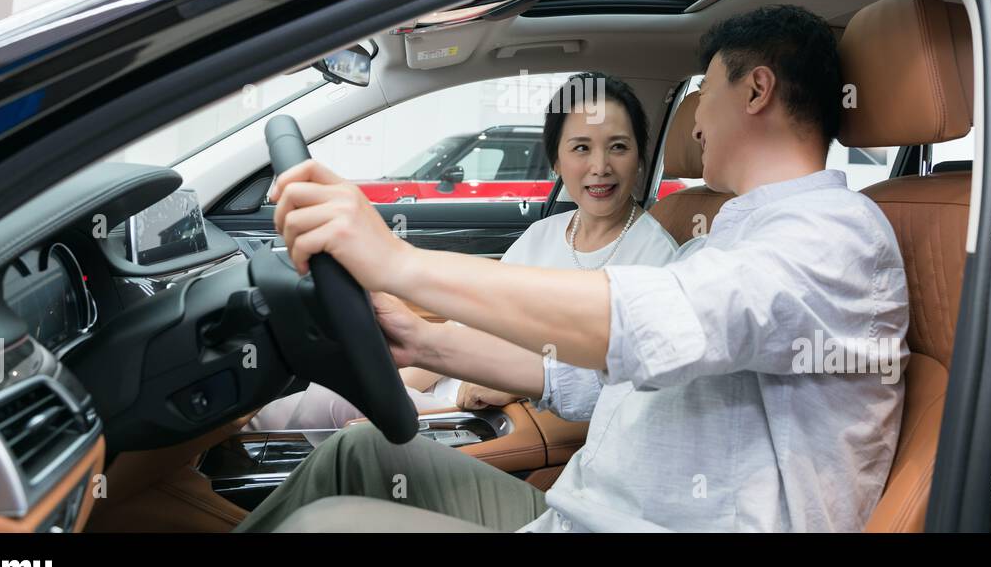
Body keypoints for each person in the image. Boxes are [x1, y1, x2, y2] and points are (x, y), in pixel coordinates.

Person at [236, 5, 909, 533]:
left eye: (705, 91)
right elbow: (591, 379)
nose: (696, 121)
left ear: (756, 88)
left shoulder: (831, 236)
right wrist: (427, 340)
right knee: (359, 455)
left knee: (324, 526)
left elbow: (649, 321)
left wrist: (399, 262)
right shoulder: (730, 237)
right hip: (574, 511)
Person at [242, 72, 678, 437]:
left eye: (618, 146)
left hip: (495, 422)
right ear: (557, 161)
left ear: (640, 157)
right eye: (581, 148)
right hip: (449, 393)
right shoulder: (545, 233)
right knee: (327, 395)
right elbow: (472, 319)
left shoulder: (657, 259)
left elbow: (619, 388)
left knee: (334, 408)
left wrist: (514, 387)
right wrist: (398, 380)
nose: (600, 165)